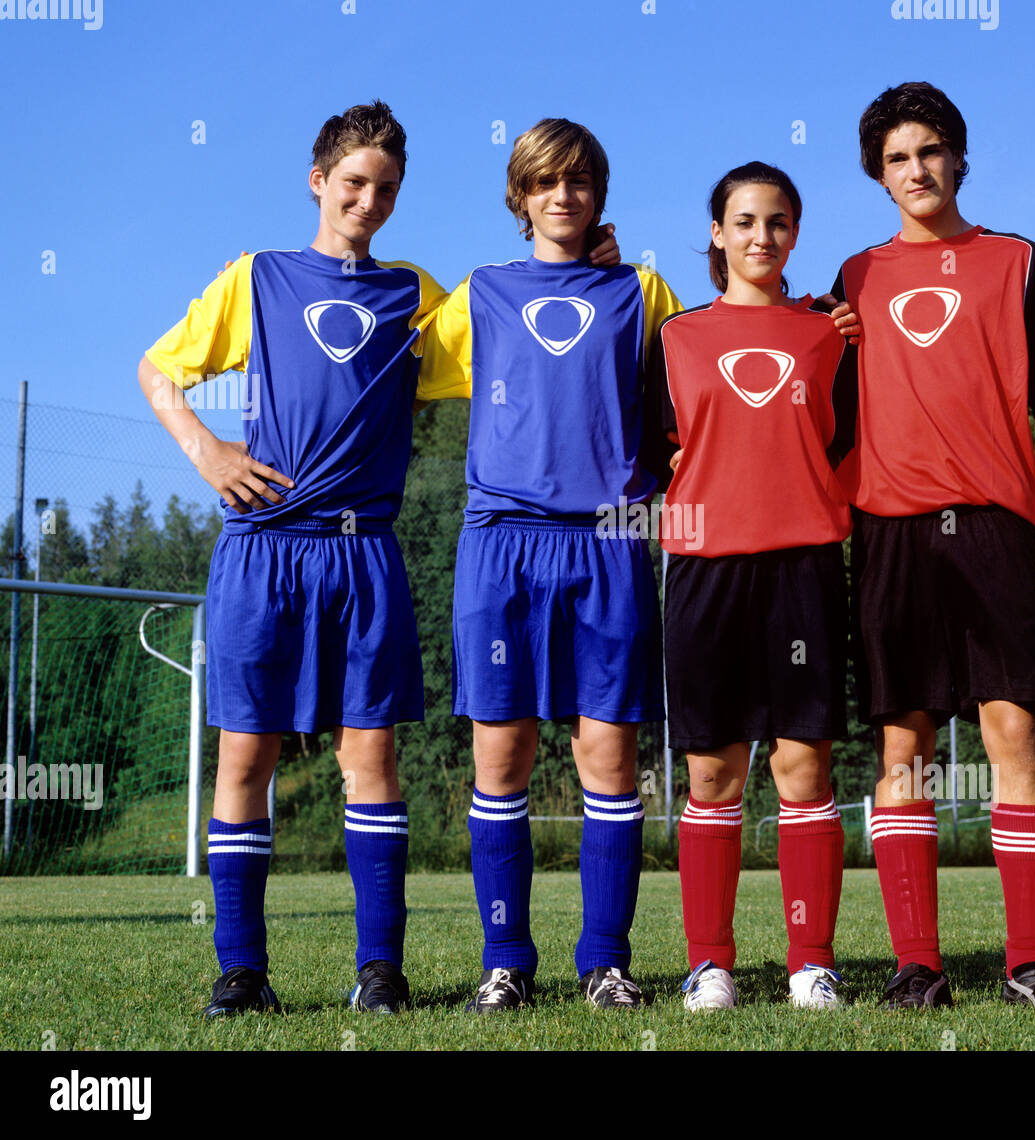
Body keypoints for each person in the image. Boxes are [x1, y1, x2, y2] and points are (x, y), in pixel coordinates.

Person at [139, 101, 622, 1018]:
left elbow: (528, 325)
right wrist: (208, 453)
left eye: (387, 188)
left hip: (364, 556)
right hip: (263, 549)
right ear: (318, 181)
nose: (370, 199)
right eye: (354, 182)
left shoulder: (418, 298)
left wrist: (589, 271)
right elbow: (158, 370)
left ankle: (380, 971)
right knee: (246, 758)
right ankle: (241, 972)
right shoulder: (257, 276)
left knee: (373, 759)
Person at [831, 82, 1035, 1011]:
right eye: (898, 158)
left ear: (960, 158)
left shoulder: (1019, 262)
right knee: (903, 742)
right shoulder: (853, 280)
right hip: (890, 531)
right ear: (878, 174)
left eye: (931, 150)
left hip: (997, 525)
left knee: (1013, 730)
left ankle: (1030, 964)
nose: (917, 170)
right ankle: (918, 966)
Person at [425, 119, 682, 1011]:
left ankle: (605, 964)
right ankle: (507, 964)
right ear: (520, 195)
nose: (562, 195)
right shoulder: (480, 292)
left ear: (599, 195)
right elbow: (391, 372)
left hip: (608, 539)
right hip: (501, 542)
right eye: (545, 182)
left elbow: (705, 380)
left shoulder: (644, 290)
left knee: (607, 757)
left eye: (578, 181)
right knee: (502, 757)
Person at [645, 162, 859, 1011]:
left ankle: (812, 960)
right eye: (743, 221)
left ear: (795, 234)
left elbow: (853, 446)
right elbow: (650, 449)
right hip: (705, 571)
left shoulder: (831, 335)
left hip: (804, 566)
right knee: (712, 773)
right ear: (716, 234)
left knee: (803, 765)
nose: (760, 236)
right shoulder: (675, 338)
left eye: (776, 222)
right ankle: (711, 964)